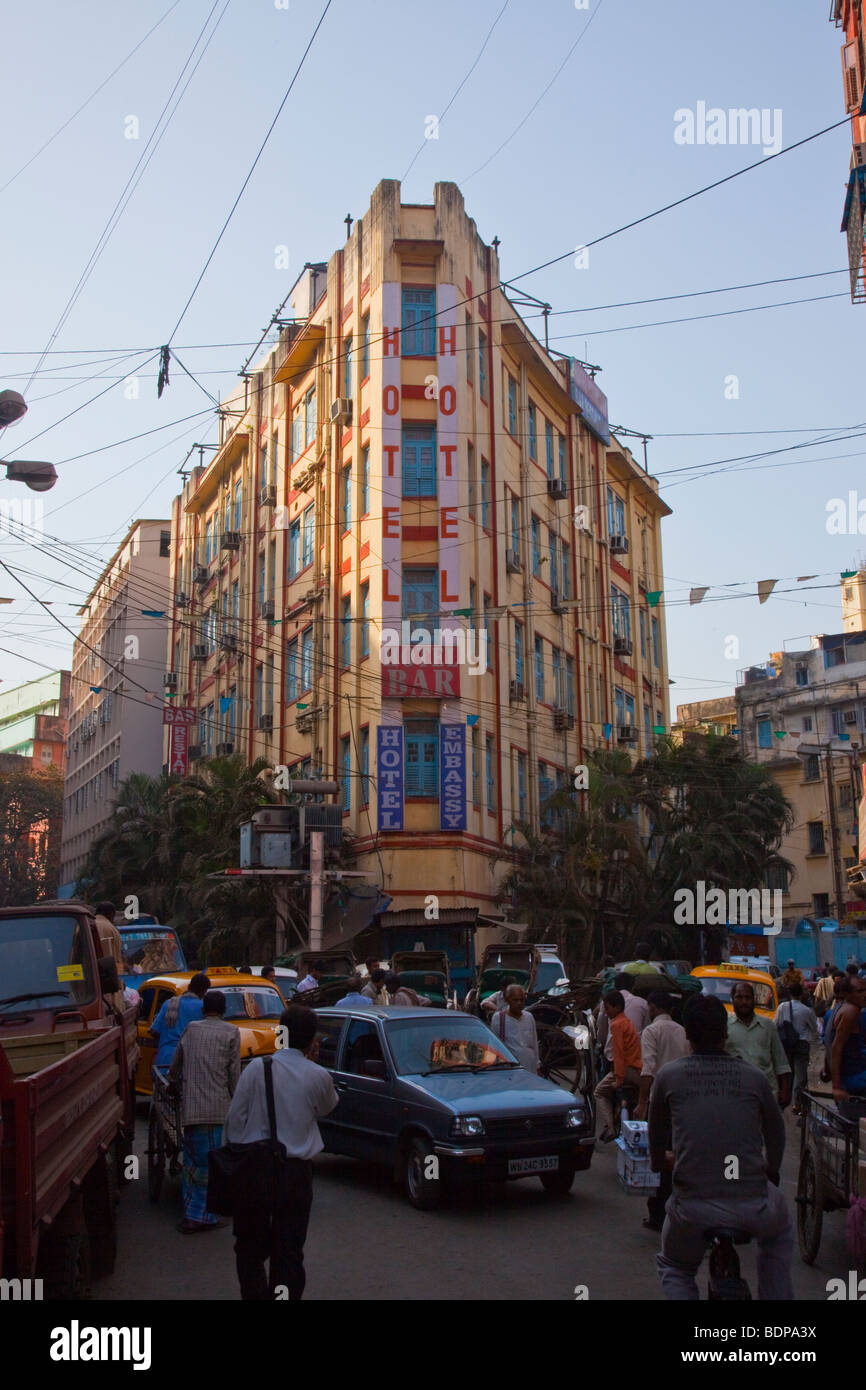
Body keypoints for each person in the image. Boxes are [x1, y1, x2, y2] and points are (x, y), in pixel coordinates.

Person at [649, 994, 793, 1301]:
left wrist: (660, 1161)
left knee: (674, 1266)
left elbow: (656, 1135)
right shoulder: (753, 1077)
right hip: (754, 1204)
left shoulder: (668, 1076)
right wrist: (771, 1169)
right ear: (725, 1033)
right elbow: (776, 1131)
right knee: (778, 1239)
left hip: (691, 1207)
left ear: (686, 1033)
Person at [223, 1005, 338, 1300]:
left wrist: (239, 1161)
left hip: (254, 1169)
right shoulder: (318, 1076)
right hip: (296, 1174)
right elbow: (327, 1107)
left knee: (249, 1249)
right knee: (288, 1251)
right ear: (312, 1040)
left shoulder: (256, 1070)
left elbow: (234, 1122)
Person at [169, 989, 240, 1234]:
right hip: (217, 1109)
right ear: (223, 1011)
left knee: (191, 1164)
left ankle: (192, 1213)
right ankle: (202, 1217)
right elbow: (233, 1076)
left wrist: (171, 1081)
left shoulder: (191, 1029)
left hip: (192, 1110)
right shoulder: (231, 1032)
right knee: (209, 1167)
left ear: (203, 1009)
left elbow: (176, 1064)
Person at [635, 991, 689, 1231]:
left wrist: (642, 1102)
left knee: (660, 1155)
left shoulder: (651, 1031)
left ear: (654, 1007)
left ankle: (658, 1212)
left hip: (660, 1102)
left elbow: (649, 1069)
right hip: (685, 1101)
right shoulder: (683, 1031)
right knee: (680, 1153)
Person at [725, 981, 792, 1109]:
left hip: (766, 1094)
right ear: (732, 1000)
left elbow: (781, 1062)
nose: (744, 1002)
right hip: (736, 1096)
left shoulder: (768, 1026)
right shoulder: (725, 1027)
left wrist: (785, 1090)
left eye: (747, 997)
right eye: (739, 997)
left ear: (754, 1000)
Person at [594, 989, 642, 1142]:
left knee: (599, 1092)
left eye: (607, 1008)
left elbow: (619, 1054)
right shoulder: (627, 1022)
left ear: (616, 1007)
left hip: (626, 1070)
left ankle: (610, 1127)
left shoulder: (616, 1024)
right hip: (637, 1069)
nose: (606, 1012)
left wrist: (619, 1078)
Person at [148, 972, 210, 1069]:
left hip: (165, 1059)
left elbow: (154, 1031)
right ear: (204, 991)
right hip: (189, 1059)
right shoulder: (203, 1008)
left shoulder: (169, 1003)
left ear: (189, 986)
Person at [773, 980, 818, 1114]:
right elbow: (814, 1028)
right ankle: (798, 1103)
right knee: (800, 1075)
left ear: (790, 993)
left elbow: (775, 1024)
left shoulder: (782, 1007)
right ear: (801, 994)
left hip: (786, 1044)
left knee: (787, 1071)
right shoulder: (807, 1010)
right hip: (802, 1044)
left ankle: (783, 1098)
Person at [830, 973, 866, 1120]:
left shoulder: (847, 1009)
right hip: (854, 1076)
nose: (865, 995)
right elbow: (836, 1047)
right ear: (847, 994)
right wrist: (836, 1087)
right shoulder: (851, 1011)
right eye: (860, 992)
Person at [490, 984, 540, 1073]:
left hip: (529, 1068)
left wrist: (537, 1064)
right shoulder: (499, 1018)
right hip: (509, 1069)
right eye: (515, 1000)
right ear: (507, 1000)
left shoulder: (529, 1017)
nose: (519, 1003)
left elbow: (534, 1043)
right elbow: (493, 1047)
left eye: (521, 1000)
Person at [93, 900, 125, 1012]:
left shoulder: (88, 924)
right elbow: (117, 959)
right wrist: (120, 981)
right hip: (109, 981)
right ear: (110, 913)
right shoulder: (111, 928)